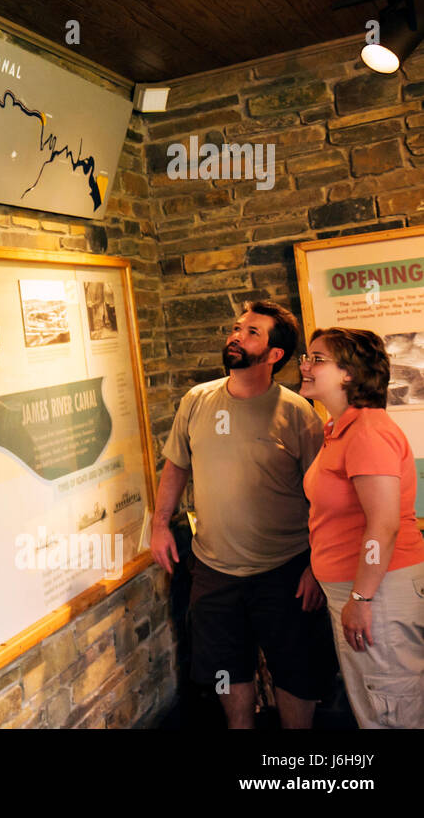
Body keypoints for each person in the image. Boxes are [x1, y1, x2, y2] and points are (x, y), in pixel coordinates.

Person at [150, 299, 334, 728]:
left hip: (285, 569)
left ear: (274, 355)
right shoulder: (197, 400)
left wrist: (315, 565)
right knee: (225, 671)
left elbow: (324, 499)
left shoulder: (298, 414)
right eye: (237, 328)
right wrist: (160, 524)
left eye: (252, 332)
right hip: (213, 568)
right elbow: (176, 464)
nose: (236, 336)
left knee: (296, 671)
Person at [299, 327, 424, 728]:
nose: (305, 365)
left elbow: (383, 526)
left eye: (318, 359)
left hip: (380, 591)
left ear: (349, 374)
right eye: (308, 356)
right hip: (361, 588)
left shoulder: (368, 432)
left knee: (389, 708)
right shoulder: (339, 429)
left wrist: (362, 598)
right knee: (375, 704)